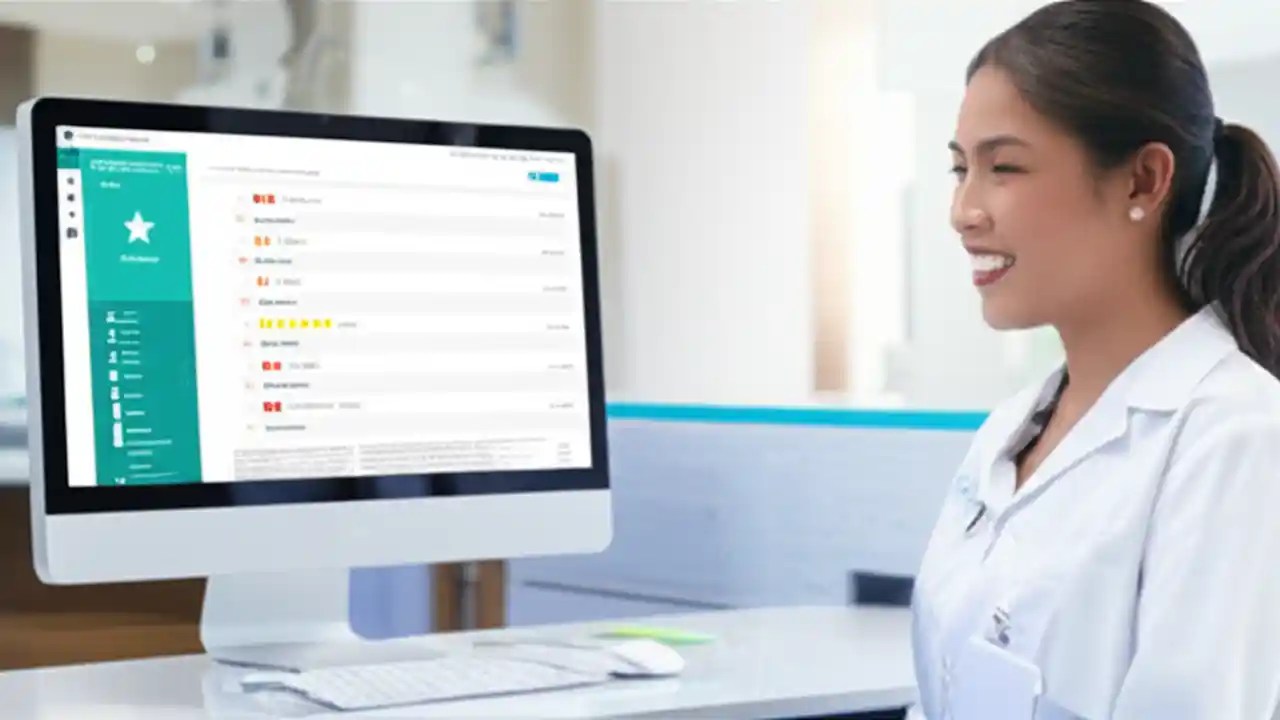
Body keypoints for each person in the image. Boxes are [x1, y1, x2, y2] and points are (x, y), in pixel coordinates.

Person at [910, 1, 1280, 718]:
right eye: (960, 169)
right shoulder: (1010, 431)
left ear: (1143, 180)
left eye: (1004, 167)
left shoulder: (1236, 435)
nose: (963, 210)